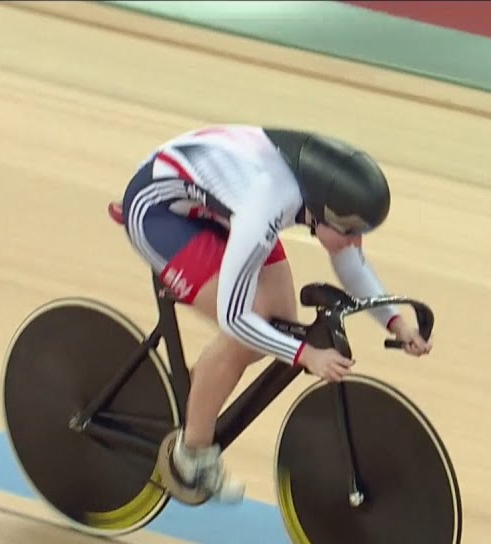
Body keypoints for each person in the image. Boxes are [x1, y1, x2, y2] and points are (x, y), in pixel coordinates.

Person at [109, 125, 432, 504]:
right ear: (324, 212)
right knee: (250, 327)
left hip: (217, 203)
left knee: (277, 317)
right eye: (351, 230)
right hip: (160, 214)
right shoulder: (265, 205)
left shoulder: (318, 195)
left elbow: (349, 262)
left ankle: (198, 391)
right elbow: (235, 319)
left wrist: (397, 323)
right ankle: (190, 457)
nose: (356, 241)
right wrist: (305, 355)